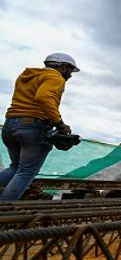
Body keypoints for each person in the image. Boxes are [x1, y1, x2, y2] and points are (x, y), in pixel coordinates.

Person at [0, 53, 79, 200]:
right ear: (62, 66)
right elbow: (43, 97)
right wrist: (60, 124)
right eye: (70, 70)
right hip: (32, 127)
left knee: (15, 168)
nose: (70, 75)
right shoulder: (55, 77)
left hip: (10, 125)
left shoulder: (27, 76)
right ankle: (4, 211)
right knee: (26, 172)